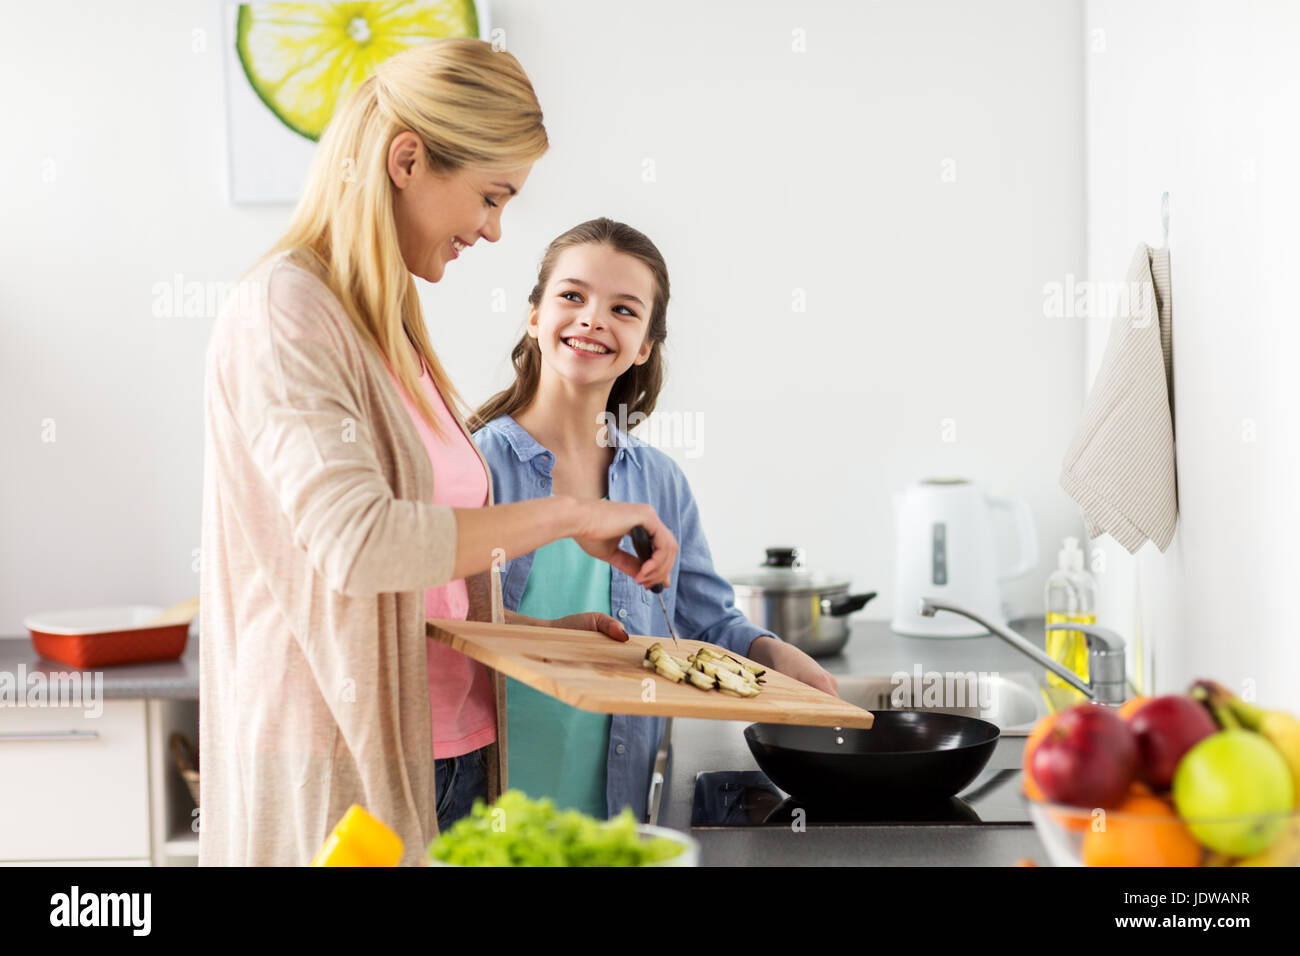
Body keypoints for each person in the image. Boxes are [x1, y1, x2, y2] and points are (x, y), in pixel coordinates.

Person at [199, 41, 677, 866]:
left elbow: (417, 586)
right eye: (491, 197)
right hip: (338, 757)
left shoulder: (390, 327)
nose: (493, 231)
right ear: (408, 160)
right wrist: (570, 514)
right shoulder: (284, 310)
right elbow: (362, 544)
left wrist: (532, 635)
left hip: (452, 755)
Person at [469, 217, 837, 820]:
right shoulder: (477, 466)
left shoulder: (658, 482)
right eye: (572, 296)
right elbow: (434, 624)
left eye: (623, 309)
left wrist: (772, 654)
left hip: (619, 815)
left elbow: (701, 622)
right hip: (491, 808)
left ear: (644, 345)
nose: (592, 319)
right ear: (534, 315)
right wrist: (541, 639)